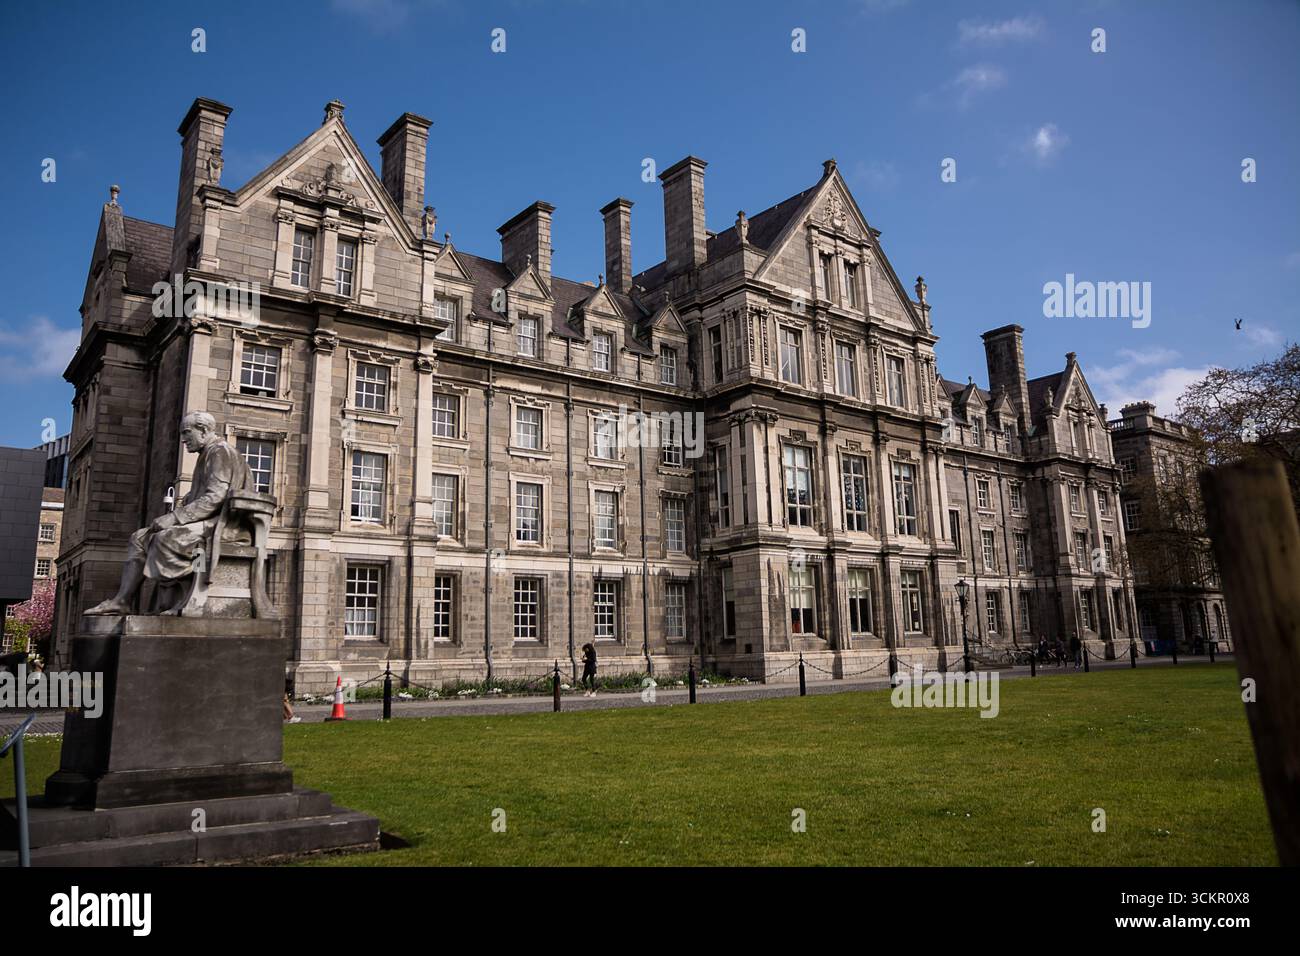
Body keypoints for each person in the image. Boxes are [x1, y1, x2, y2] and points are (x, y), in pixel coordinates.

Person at [85, 410, 252, 615]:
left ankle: (184, 601)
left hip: (225, 526)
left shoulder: (220, 452)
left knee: (165, 538)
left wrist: (174, 517)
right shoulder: (206, 454)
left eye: (186, 433)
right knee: (139, 538)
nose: (183, 439)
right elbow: (201, 496)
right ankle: (122, 600)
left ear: (203, 430)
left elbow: (215, 497)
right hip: (206, 522)